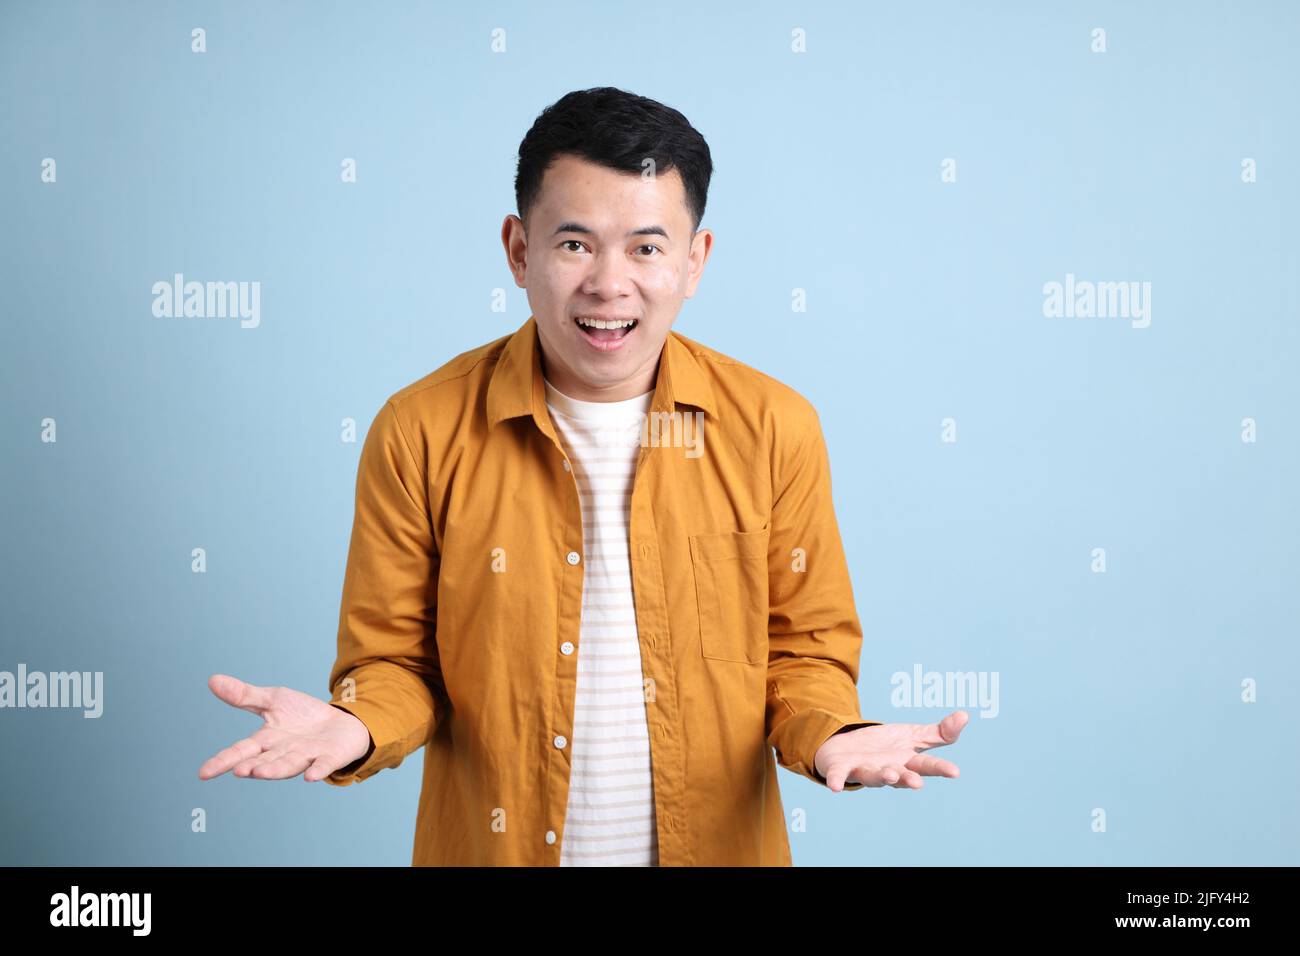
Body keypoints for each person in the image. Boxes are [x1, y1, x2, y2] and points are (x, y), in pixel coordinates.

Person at [199, 86, 968, 866]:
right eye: (574, 244)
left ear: (694, 261)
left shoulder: (775, 427)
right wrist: (356, 724)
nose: (609, 283)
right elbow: (393, 661)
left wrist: (834, 732)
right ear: (518, 251)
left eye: (646, 246)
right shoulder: (420, 430)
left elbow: (804, 653)